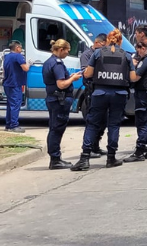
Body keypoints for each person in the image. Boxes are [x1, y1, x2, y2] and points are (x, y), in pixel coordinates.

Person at [73, 30, 129, 171]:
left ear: (108, 40)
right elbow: (133, 77)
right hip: (119, 93)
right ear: (120, 41)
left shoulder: (97, 53)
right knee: (114, 125)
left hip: (99, 92)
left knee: (92, 124)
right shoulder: (126, 55)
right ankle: (111, 157)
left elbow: (88, 73)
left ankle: (85, 158)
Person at [42, 39, 82, 170]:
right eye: (67, 51)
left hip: (53, 99)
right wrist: (73, 79)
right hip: (60, 100)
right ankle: (55, 159)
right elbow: (61, 84)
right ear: (60, 50)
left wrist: (69, 76)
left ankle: (55, 158)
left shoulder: (49, 62)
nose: (67, 53)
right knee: (57, 129)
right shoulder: (57, 64)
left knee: (54, 128)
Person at [2, 41, 30, 133]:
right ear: (17, 47)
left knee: (10, 105)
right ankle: (14, 125)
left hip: (7, 83)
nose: (21, 50)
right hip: (15, 84)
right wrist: (29, 63)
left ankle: (8, 125)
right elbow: (25, 68)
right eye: (20, 48)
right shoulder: (18, 56)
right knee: (15, 105)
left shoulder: (7, 56)